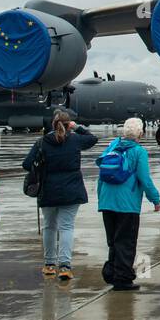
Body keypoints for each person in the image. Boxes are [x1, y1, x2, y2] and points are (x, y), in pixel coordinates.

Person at [23, 110, 98, 282]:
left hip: (48, 189)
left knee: (49, 226)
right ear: (68, 124)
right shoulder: (75, 140)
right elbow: (92, 138)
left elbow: (27, 164)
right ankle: (65, 265)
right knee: (66, 227)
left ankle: (49, 264)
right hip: (71, 189)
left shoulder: (42, 142)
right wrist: (77, 127)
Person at [97, 118, 160, 291]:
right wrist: (155, 199)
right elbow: (145, 180)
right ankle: (123, 278)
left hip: (107, 201)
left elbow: (101, 175)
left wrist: (101, 198)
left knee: (113, 241)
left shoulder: (112, 146)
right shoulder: (138, 151)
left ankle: (112, 271)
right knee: (125, 241)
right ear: (140, 134)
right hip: (127, 203)